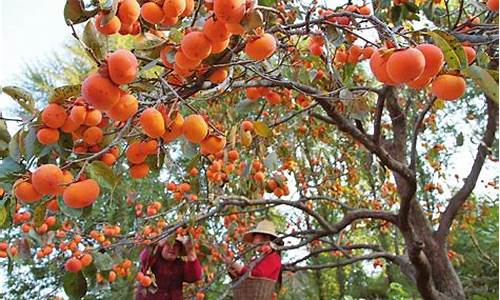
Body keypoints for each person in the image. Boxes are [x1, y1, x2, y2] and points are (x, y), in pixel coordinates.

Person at [135, 235, 202, 300]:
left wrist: (190, 252)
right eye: (169, 243)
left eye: (176, 245)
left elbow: (195, 276)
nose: (172, 248)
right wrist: (157, 243)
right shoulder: (154, 257)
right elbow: (144, 260)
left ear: (179, 250)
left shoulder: (180, 265)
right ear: (163, 245)